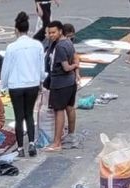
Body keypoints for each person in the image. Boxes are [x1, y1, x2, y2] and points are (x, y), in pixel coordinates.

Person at [0, 12, 46, 156]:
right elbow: (41, 66)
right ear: (28, 29)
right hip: (32, 83)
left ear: (16, 30)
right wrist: (40, 80)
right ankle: (31, 142)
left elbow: (6, 68)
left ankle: (20, 148)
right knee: (29, 114)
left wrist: (3, 85)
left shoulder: (12, 47)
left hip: (16, 84)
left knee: (18, 117)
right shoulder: (37, 45)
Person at [43, 22, 77, 152]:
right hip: (70, 82)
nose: (51, 35)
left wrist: (73, 67)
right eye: (49, 32)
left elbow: (66, 67)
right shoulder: (68, 43)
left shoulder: (61, 47)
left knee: (59, 110)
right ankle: (71, 135)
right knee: (69, 107)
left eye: (53, 32)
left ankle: (57, 143)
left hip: (60, 83)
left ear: (60, 31)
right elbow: (75, 59)